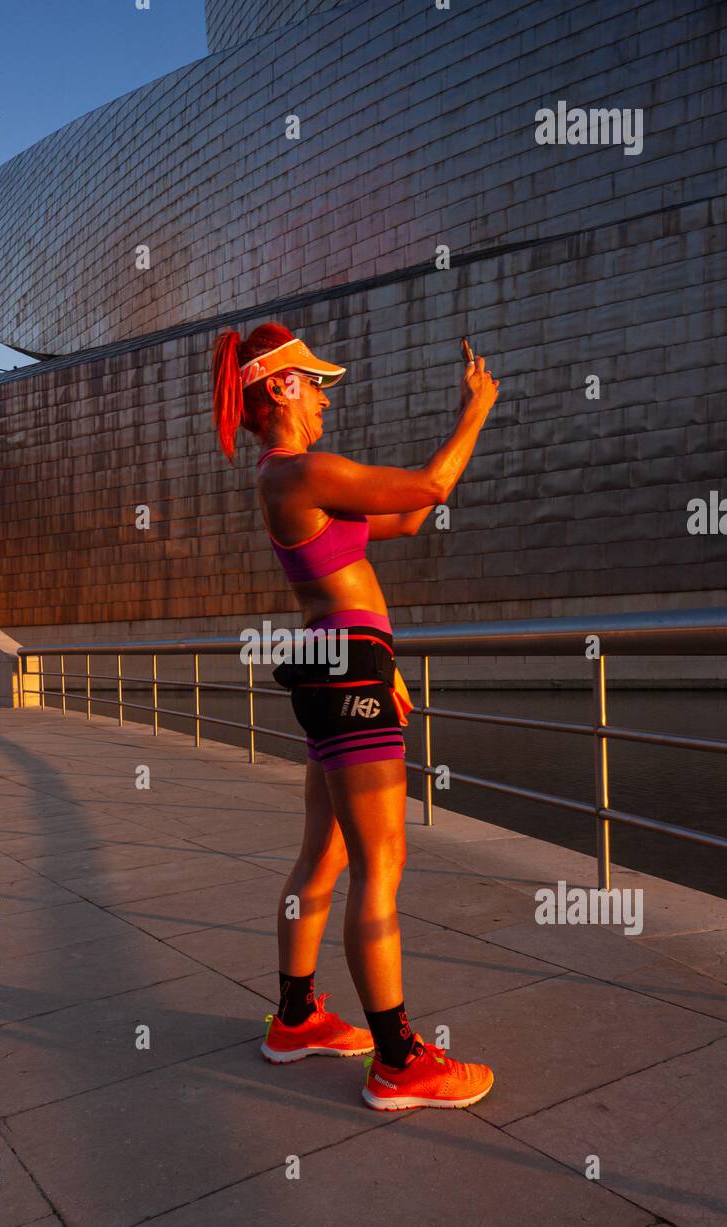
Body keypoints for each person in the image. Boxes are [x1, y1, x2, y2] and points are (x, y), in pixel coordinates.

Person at [211, 323, 499, 1111]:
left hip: (341, 673)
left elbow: (406, 519)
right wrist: (475, 412)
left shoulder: (298, 482)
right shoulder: (300, 472)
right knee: (382, 865)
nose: (328, 396)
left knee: (325, 858)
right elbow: (429, 489)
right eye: (318, 382)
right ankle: (399, 1061)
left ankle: (297, 1017)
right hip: (352, 681)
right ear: (281, 388)